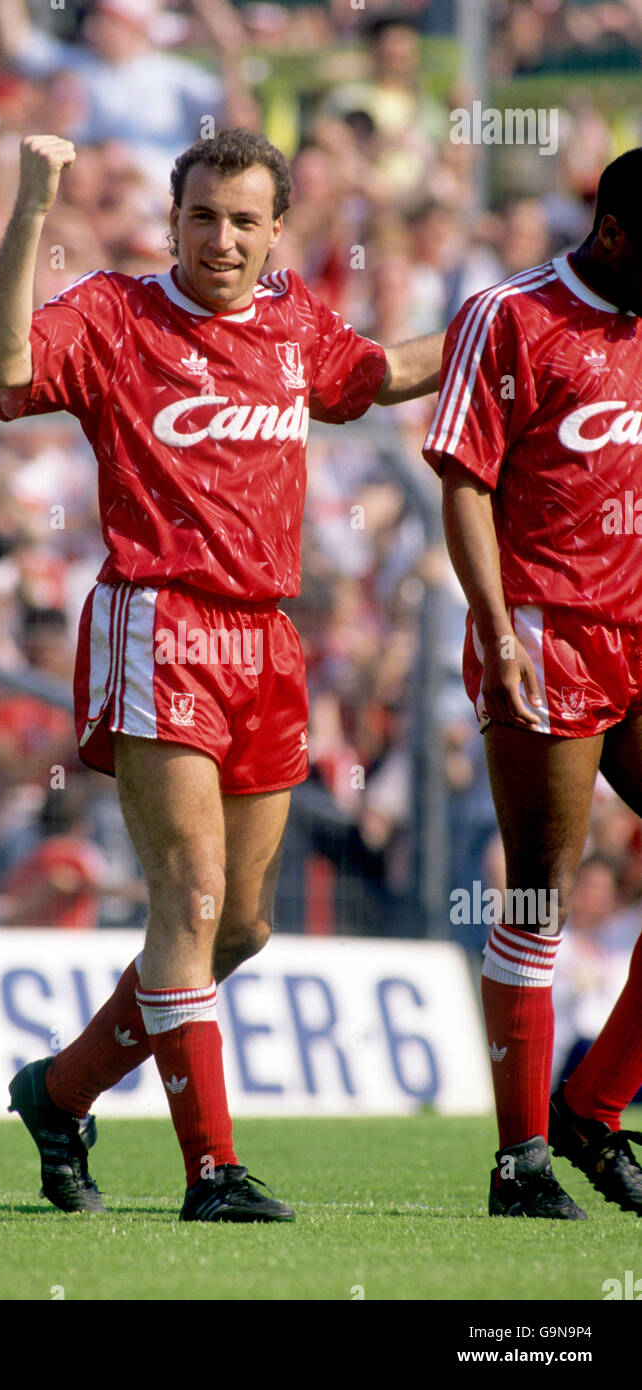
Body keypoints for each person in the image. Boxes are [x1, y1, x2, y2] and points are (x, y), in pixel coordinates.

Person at [0, 126, 442, 1221]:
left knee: (239, 927)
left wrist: (509, 317)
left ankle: (60, 1091)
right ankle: (212, 1172)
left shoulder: (293, 322)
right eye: (200, 216)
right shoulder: (112, 314)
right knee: (184, 898)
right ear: (171, 220)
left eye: (242, 220)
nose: (219, 239)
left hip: (268, 644)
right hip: (159, 624)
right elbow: (0, 368)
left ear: (277, 232)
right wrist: (31, 207)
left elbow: (381, 375)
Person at [424, 148, 642, 1220]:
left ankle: (592, 1108)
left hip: (641, 630)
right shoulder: (510, 315)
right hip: (547, 628)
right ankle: (518, 1159)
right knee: (537, 886)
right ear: (612, 234)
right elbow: (462, 480)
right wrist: (494, 624)